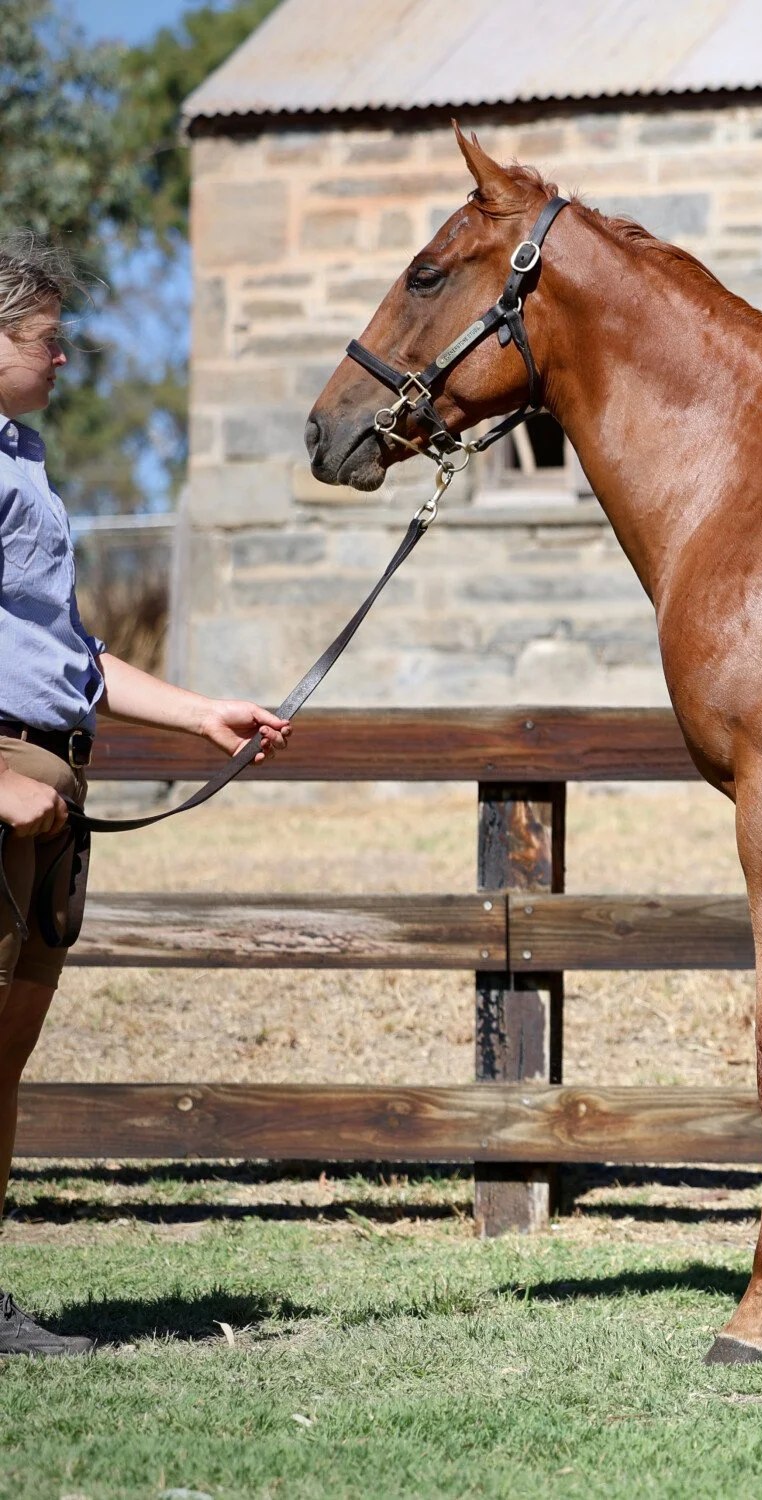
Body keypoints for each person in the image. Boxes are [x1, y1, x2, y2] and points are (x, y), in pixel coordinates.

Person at [0, 230, 290, 1355]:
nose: (64, 358)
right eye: (45, 339)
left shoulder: (22, 462)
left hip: (50, 776)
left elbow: (71, 655)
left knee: (5, 1059)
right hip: (10, 776)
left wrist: (200, 713)